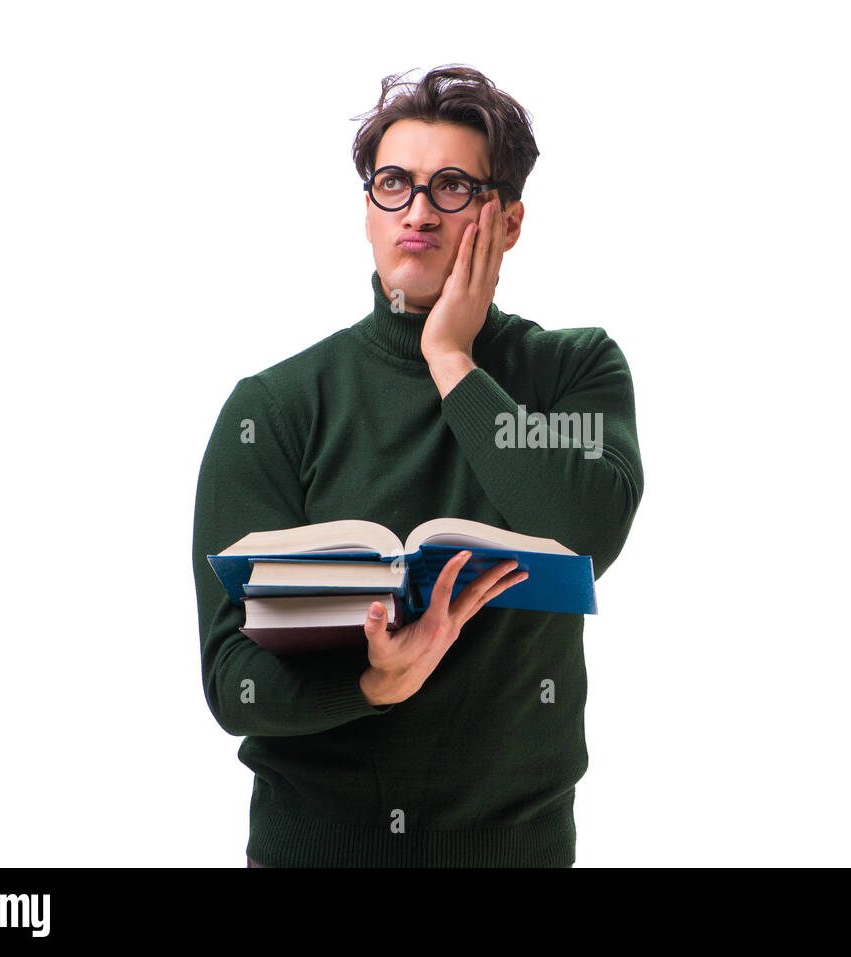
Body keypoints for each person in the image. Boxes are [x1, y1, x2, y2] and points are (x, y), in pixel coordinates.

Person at [191, 64, 643, 867]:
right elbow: (234, 679)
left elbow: (587, 530)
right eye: (395, 183)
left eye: (454, 187)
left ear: (507, 222)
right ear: (367, 209)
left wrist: (450, 359)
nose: (420, 212)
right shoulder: (276, 408)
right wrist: (371, 683)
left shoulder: (574, 369)